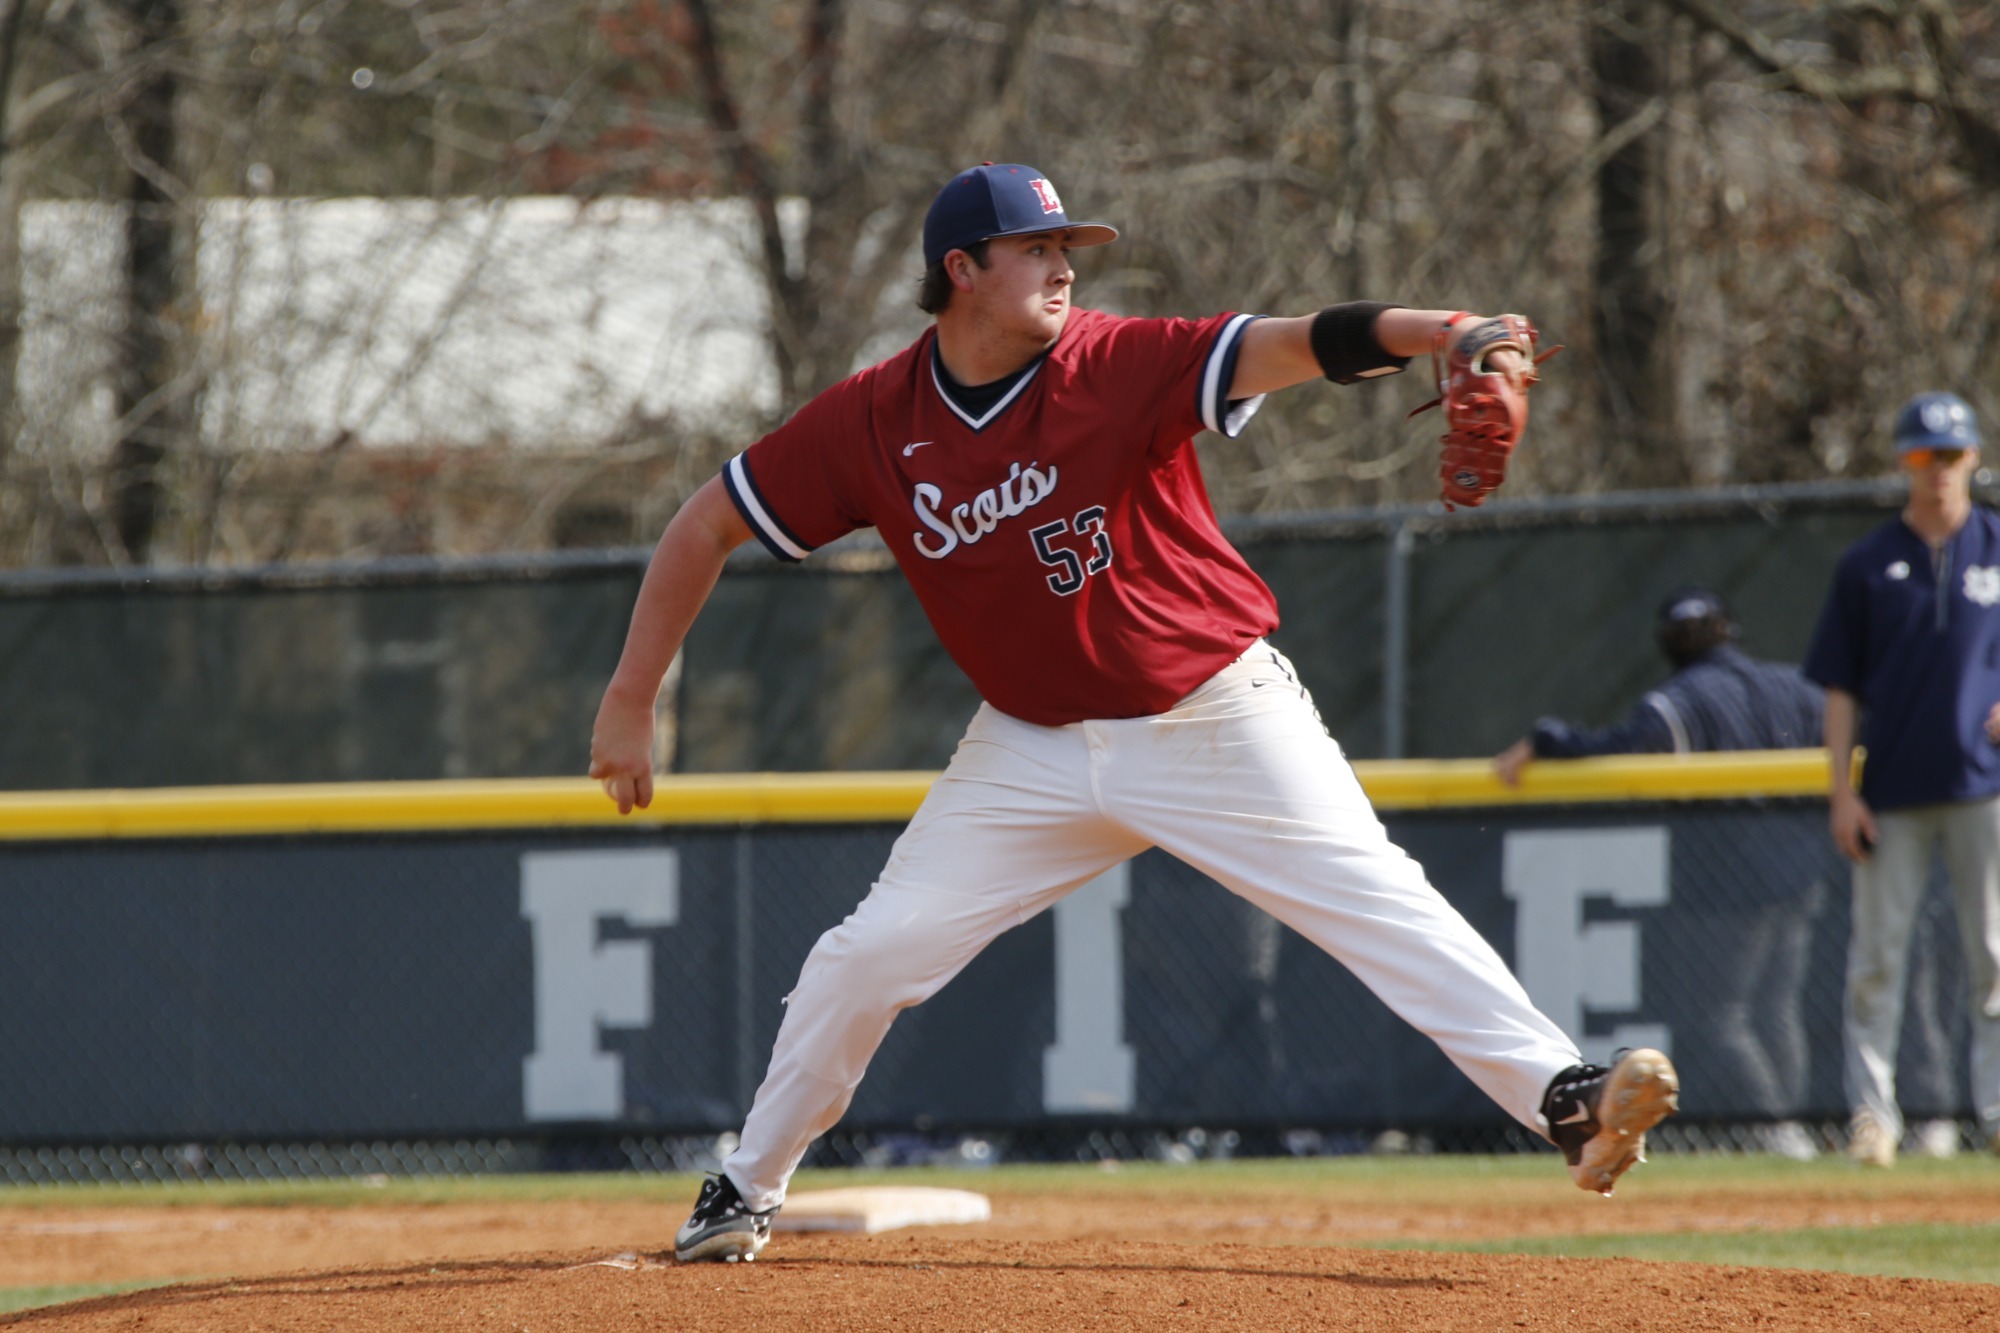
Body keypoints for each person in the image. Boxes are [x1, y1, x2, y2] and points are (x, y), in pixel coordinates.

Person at [589, 162, 1681, 1263]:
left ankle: (1564, 1098)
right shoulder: (874, 420)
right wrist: (632, 696)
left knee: (1372, 895)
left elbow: (1296, 341)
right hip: (1028, 749)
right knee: (866, 956)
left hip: (1213, 712)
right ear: (959, 270)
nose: (1063, 264)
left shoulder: (1110, 360)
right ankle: (744, 1186)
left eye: (1068, 245)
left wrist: (1445, 330)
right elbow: (703, 525)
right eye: (1033, 247)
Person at [1495, 587, 1826, 1159]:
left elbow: (1618, 749)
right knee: (1774, 1009)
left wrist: (1549, 737)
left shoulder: (1681, 699)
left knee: (1723, 1017)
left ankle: (1781, 1129)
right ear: (1731, 631)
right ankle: (1794, 1123)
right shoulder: (1799, 686)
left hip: (1732, 885)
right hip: (1802, 873)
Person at [1802, 390, 2000, 1168]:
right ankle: (1872, 1118)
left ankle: (1994, 1108)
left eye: (1949, 455)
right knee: (1878, 960)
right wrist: (1841, 791)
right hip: (1890, 791)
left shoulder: (1996, 546)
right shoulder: (1867, 564)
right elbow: (1840, 689)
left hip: (1984, 785)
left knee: (1993, 955)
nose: (1937, 470)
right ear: (1901, 463)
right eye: (1922, 455)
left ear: (1975, 459)